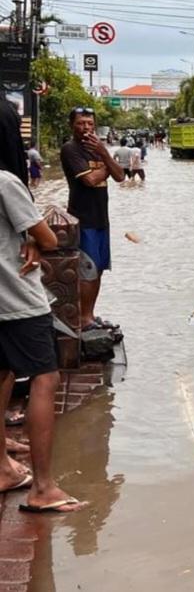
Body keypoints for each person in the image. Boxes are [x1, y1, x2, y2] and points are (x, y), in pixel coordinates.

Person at [0, 163, 86, 512]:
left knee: (2, 375)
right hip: (16, 299)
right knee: (45, 379)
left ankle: (4, 469)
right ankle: (43, 488)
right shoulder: (5, 183)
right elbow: (50, 237)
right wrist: (37, 240)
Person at [60, 106, 124, 331]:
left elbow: (121, 176)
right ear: (72, 125)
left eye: (89, 123)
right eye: (81, 123)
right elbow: (90, 180)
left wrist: (104, 154)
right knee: (87, 271)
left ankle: (90, 314)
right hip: (83, 219)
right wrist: (107, 166)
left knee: (98, 270)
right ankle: (83, 319)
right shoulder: (71, 149)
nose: (86, 127)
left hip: (101, 220)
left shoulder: (98, 149)